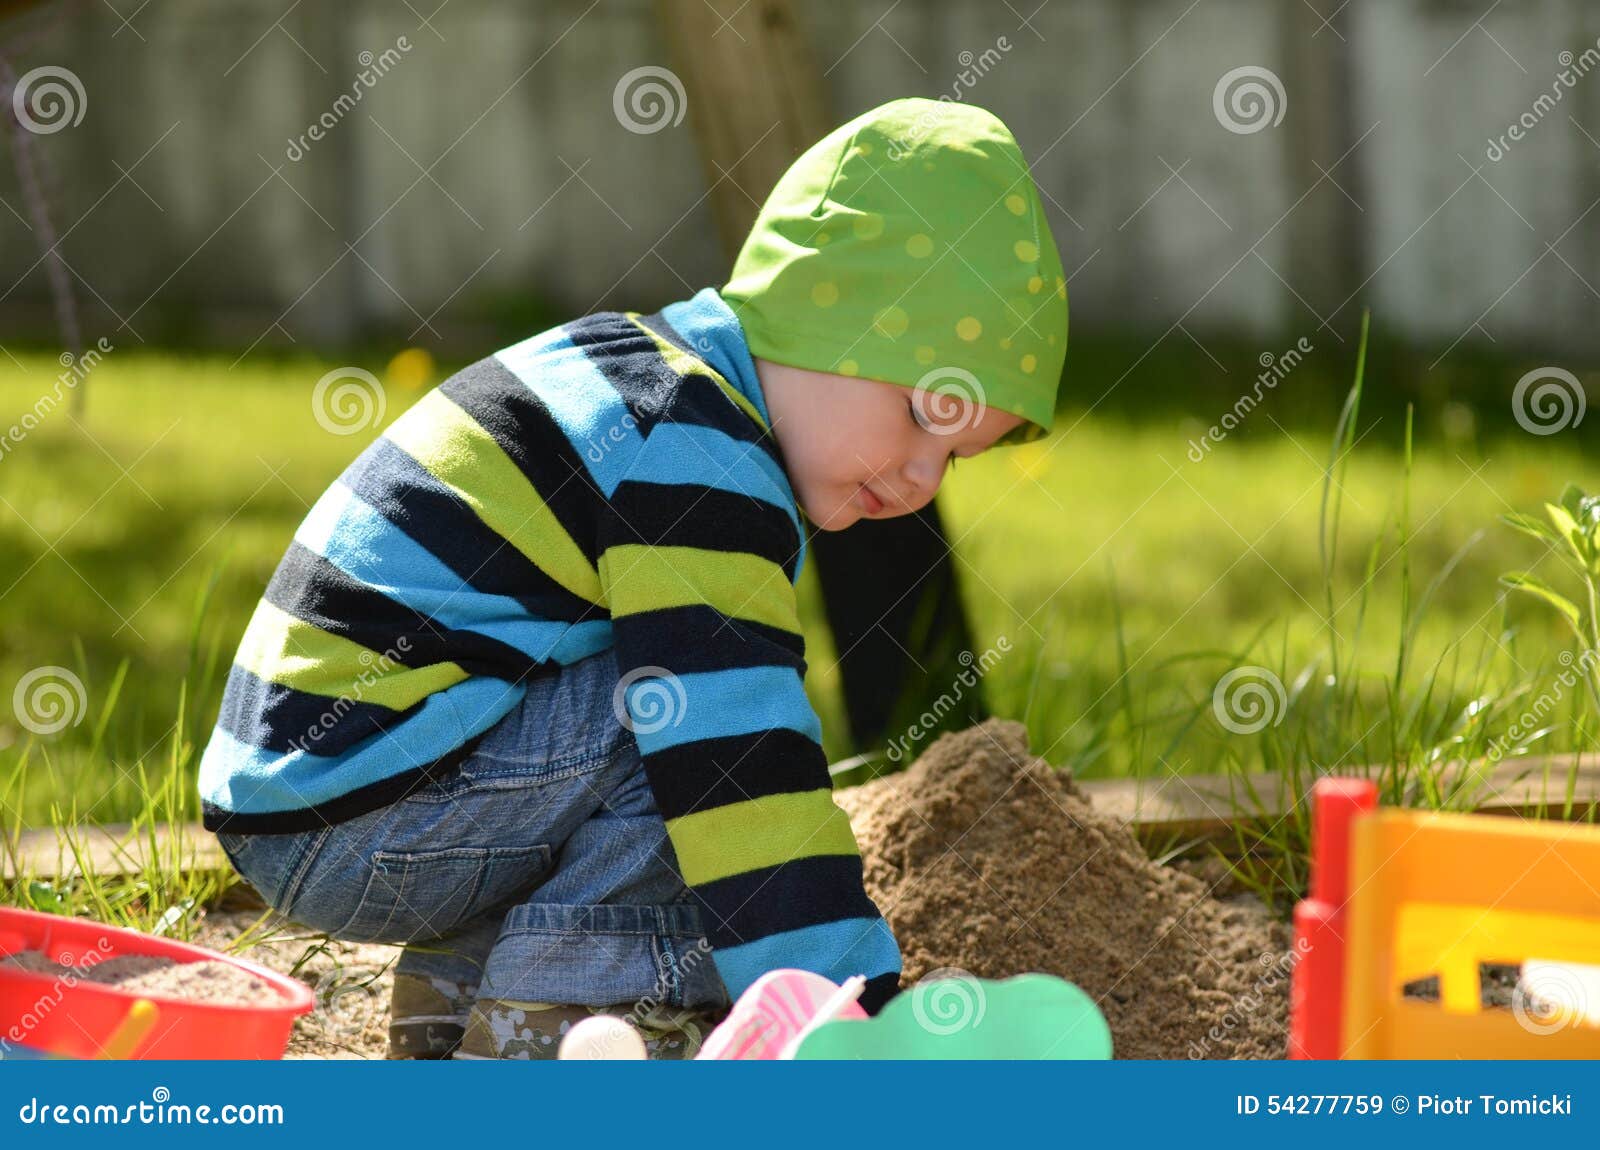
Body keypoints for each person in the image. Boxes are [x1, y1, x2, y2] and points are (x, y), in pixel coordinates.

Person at [197, 96, 1068, 1059]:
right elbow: (743, 767)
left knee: (652, 689)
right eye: (919, 414)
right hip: (356, 804)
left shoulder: (647, 376)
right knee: (691, 724)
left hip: (318, 792)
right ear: (825, 325)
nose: (921, 479)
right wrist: (846, 1003)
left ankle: (458, 1015)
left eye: (960, 458)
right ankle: (558, 1022)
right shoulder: (700, 453)